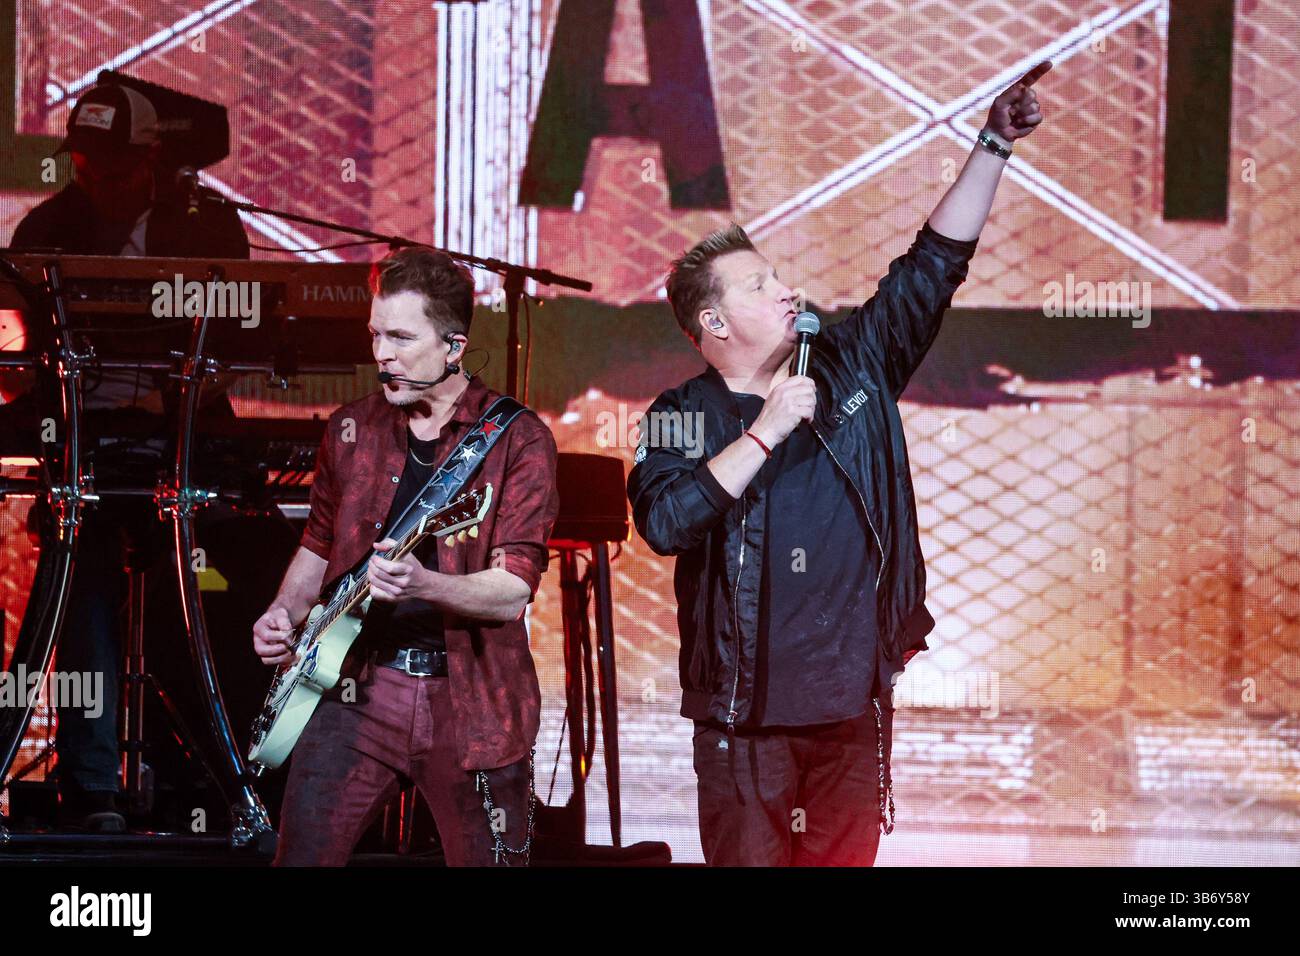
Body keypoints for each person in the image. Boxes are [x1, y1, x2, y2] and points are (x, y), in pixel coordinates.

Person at [628, 63, 1051, 865]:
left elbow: (932, 265)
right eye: (762, 285)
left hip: (851, 715)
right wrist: (763, 435)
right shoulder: (681, 414)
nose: (789, 292)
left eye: (780, 276)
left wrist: (993, 143)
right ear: (714, 321)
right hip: (743, 725)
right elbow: (664, 522)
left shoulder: (852, 367)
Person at [253, 246, 560, 866]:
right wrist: (282, 615)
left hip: (471, 701)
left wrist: (425, 585)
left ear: (453, 346)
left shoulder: (519, 439)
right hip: (352, 690)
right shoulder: (350, 430)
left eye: (400, 336)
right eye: (375, 334)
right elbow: (317, 546)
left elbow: (512, 591)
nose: (381, 354)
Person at [6, 82, 250, 832]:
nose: (97, 182)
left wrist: (174, 400)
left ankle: (203, 771)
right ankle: (93, 786)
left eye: (113, 168)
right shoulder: (48, 227)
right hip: (87, 435)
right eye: (84, 166)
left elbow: (248, 335)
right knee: (79, 570)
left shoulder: (208, 229)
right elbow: (23, 349)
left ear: (152, 161)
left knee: (210, 584)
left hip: (185, 436)